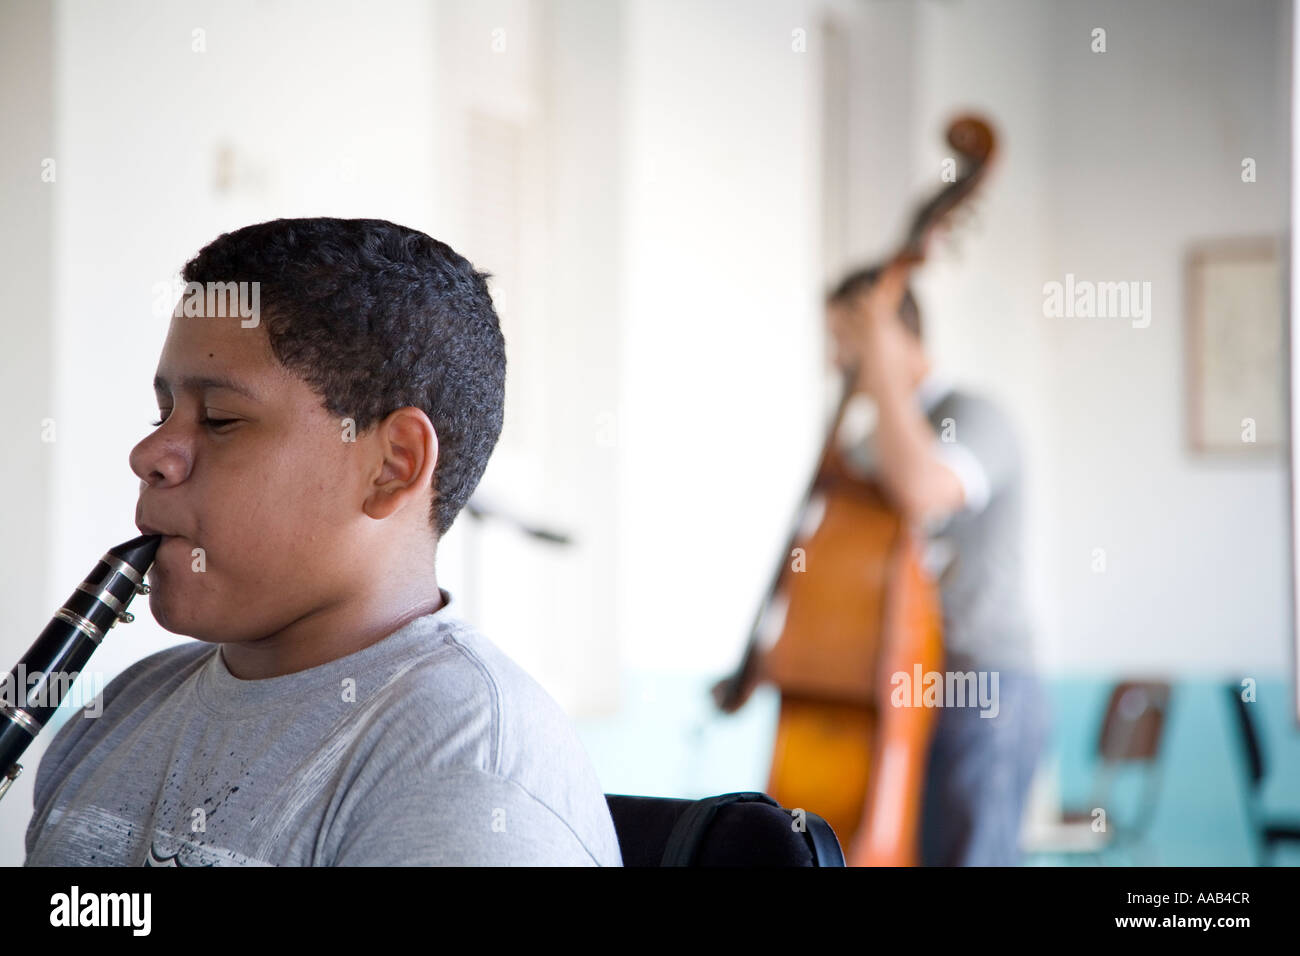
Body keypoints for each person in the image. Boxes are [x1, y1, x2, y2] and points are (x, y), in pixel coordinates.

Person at [25, 217, 622, 866]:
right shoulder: (118, 711)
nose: (149, 454)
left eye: (220, 419)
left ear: (391, 466)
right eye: (162, 413)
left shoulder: (468, 772)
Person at [826, 261, 1049, 867]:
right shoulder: (873, 446)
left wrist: (883, 367)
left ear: (896, 338)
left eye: (847, 344)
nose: (835, 365)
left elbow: (923, 487)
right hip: (905, 696)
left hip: (985, 687)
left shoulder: (976, 416)